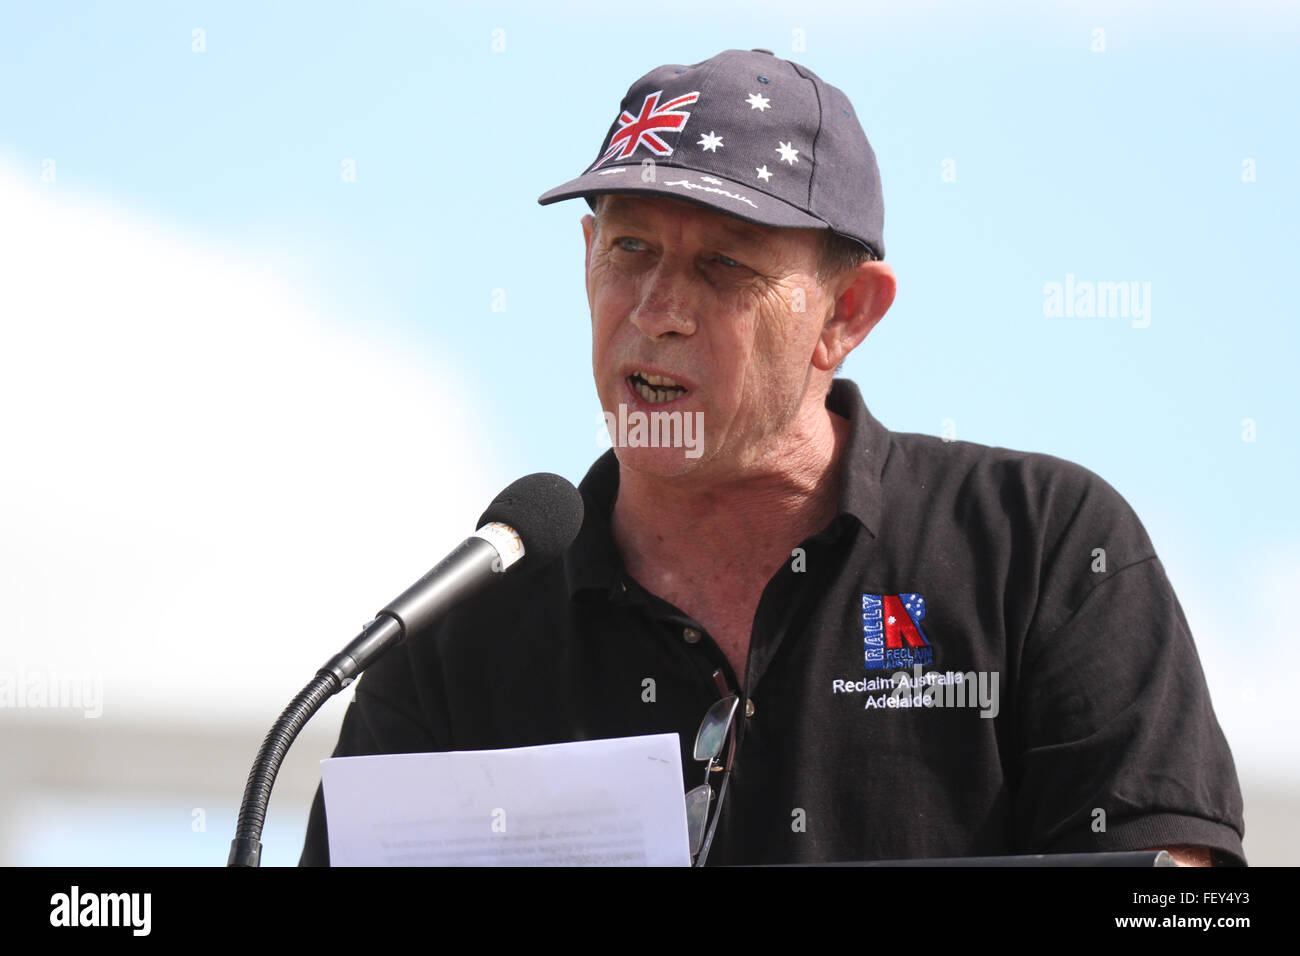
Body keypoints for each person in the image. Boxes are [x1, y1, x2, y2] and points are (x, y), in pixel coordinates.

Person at [299, 48, 1244, 866]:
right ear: (586, 257)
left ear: (848, 315)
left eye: (725, 265)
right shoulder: (459, 632)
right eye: (629, 248)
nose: (657, 309)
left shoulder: (1042, 549)